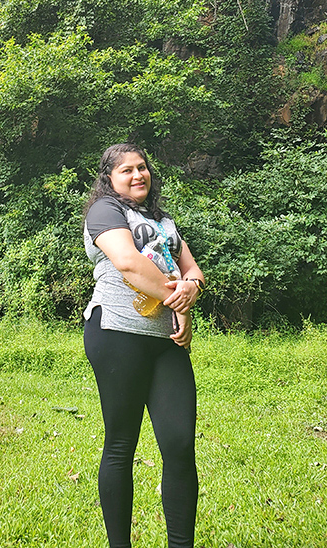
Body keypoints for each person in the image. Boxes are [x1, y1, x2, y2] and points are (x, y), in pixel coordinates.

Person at [83, 143, 205, 548]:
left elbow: (193, 270)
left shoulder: (164, 220)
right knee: (121, 443)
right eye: (126, 171)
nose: (138, 175)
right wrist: (180, 301)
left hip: (167, 342)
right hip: (117, 332)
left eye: (142, 168)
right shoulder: (105, 211)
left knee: (179, 444)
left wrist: (190, 291)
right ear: (110, 179)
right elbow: (129, 263)